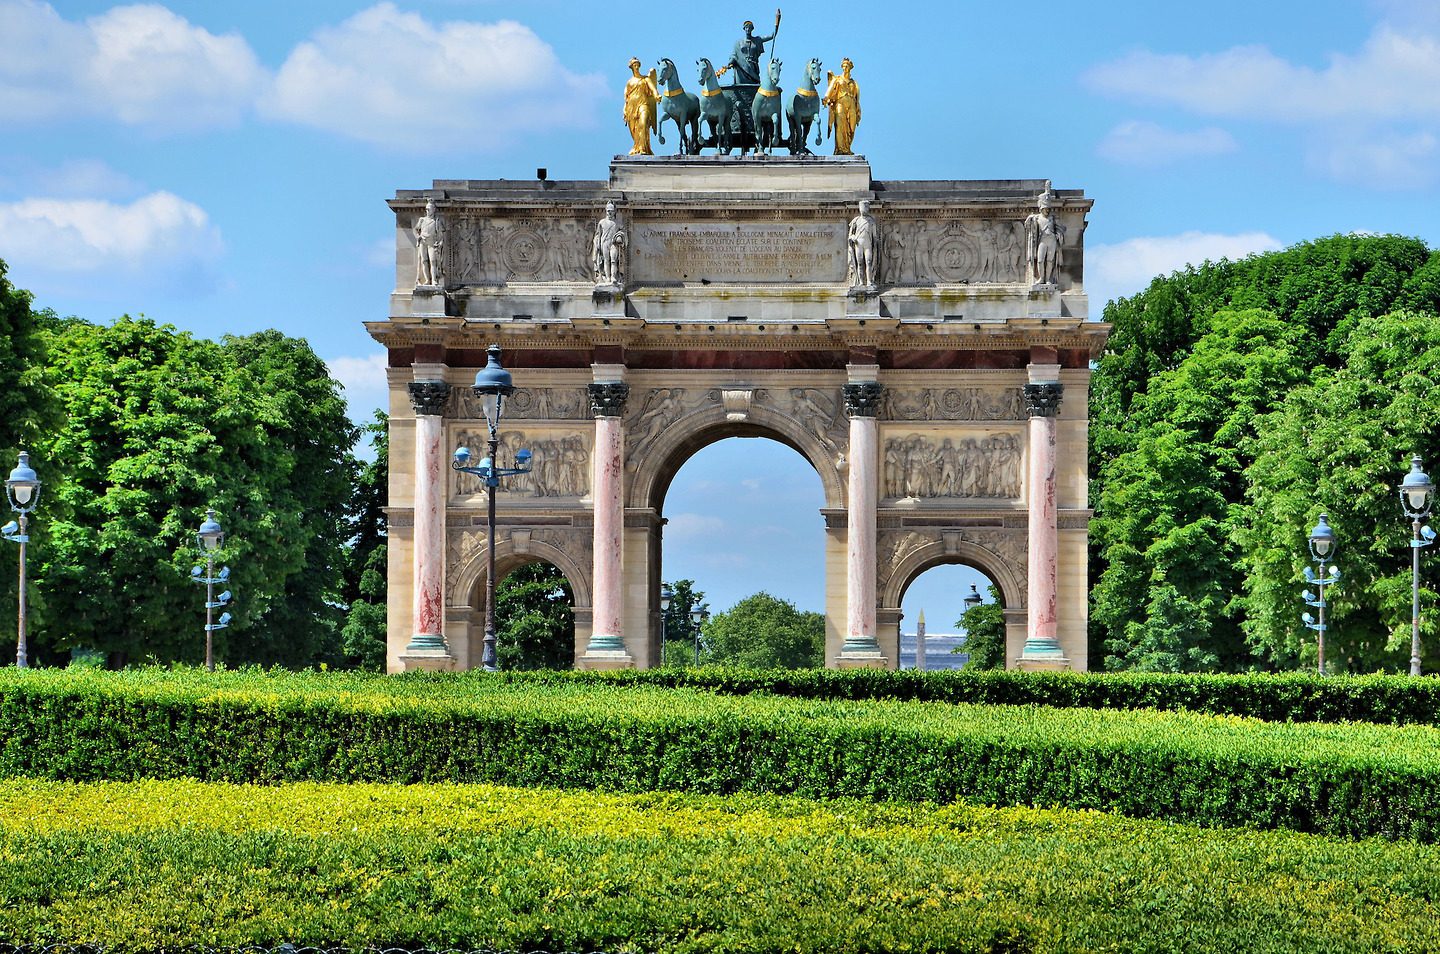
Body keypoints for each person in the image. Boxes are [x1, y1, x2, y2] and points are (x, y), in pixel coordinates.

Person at [718, 15, 779, 85]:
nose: (748, 29)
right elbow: (734, 54)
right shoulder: (738, 43)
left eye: (749, 28)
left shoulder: (757, 40)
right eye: (746, 28)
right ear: (744, 29)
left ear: (752, 29)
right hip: (741, 67)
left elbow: (772, 36)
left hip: (753, 67)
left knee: (755, 85)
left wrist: (776, 25)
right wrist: (731, 61)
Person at [1024, 190, 1067, 285]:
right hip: (1042, 240)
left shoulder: (1053, 218)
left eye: (1048, 208)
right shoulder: (1036, 217)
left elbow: (1062, 228)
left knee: (1050, 260)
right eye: (1045, 208)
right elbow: (1027, 225)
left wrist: (1059, 234)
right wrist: (1030, 218)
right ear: (1041, 208)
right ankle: (1041, 278)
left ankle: (1048, 279)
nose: (1047, 210)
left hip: (1052, 240)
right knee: (1040, 260)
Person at [822, 57, 860, 155]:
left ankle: (847, 148)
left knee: (851, 128)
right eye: (844, 66)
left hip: (851, 105)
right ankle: (840, 149)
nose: (845, 68)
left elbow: (857, 97)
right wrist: (826, 98)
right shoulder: (837, 79)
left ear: (850, 68)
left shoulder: (853, 83)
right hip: (840, 104)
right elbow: (830, 89)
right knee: (839, 125)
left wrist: (858, 108)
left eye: (847, 66)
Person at [623, 57, 660, 155]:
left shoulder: (646, 79)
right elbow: (626, 98)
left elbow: (653, 89)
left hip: (643, 104)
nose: (637, 67)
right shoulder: (629, 82)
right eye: (634, 65)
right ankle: (637, 147)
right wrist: (624, 109)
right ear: (631, 67)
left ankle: (643, 148)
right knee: (634, 129)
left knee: (643, 124)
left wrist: (656, 95)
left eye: (638, 65)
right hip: (631, 107)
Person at [591, 201, 625, 285]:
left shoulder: (618, 223)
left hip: (614, 244)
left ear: (615, 211)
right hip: (604, 243)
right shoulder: (601, 222)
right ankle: (607, 277)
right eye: (608, 211)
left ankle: (613, 277)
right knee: (606, 261)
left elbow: (623, 233)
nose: (610, 212)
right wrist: (597, 244)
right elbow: (598, 235)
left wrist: (621, 236)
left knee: (613, 260)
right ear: (606, 211)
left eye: (611, 211)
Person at [847, 199, 878, 287]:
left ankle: (869, 281)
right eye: (863, 207)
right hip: (858, 244)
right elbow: (850, 235)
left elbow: (874, 237)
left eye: (866, 207)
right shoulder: (855, 221)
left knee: (868, 261)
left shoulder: (871, 221)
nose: (864, 209)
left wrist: (875, 247)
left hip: (868, 245)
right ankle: (861, 282)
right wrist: (852, 237)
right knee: (860, 263)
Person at [413, 198, 444, 287]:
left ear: (433, 210)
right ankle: (427, 280)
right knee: (424, 261)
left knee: (433, 261)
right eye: (426, 209)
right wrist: (418, 237)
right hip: (423, 241)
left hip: (432, 243)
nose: (427, 211)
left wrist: (440, 242)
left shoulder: (437, 221)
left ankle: (434, 280)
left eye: (429, 209)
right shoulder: (422, 220)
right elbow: (415, 230)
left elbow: (441, 234)